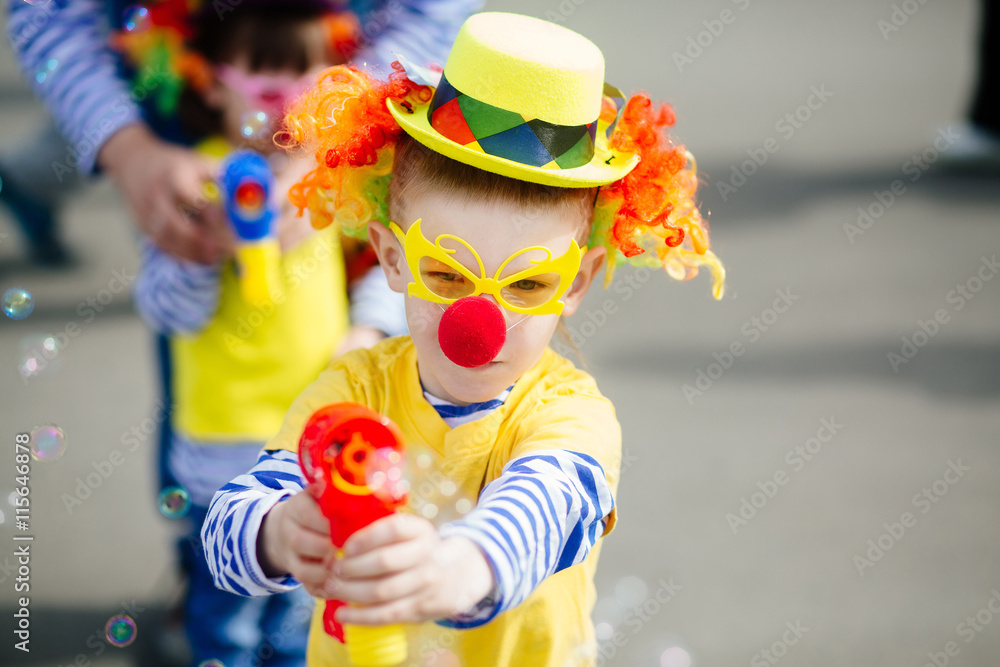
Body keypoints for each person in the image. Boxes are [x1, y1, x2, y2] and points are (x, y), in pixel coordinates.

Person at [203, 11, 725, 666]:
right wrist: (277, 531)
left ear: (581, 278)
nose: (478, 326)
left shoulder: (571, 416)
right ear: (390, 257)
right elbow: (229, 520)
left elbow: (544, 505)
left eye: (528, 285)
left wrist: (455, 568)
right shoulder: (355, 388)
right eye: (446, 273)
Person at [130, 3, 409, 665]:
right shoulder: (189, 179)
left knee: (297, 607)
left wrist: (367, 327)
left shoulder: (332, 180)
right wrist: (208, 250)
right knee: (222, 615)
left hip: (308, 437)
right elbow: (165, 310)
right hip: (219, 447)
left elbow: (385, 266)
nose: (282, 100)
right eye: (261, 73)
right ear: (212, 81)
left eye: (303, 73)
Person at [4, 0, 483, 265]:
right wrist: (126, 148)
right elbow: (51, 13)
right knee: (192, 240)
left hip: (354, 51)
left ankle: (27, 182)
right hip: (173, 53)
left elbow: (430, 11)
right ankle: (30, 183)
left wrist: (342, 127)